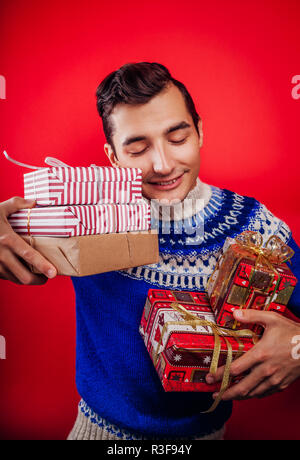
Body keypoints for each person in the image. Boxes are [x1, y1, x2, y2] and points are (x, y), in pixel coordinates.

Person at [1, 62, 300, 441]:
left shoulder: (256, 227)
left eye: (177, 138)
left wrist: (296, 346)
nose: (162, 165)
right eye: (138, 147)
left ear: (200, 131)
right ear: (113, 158)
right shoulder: (84, 215)